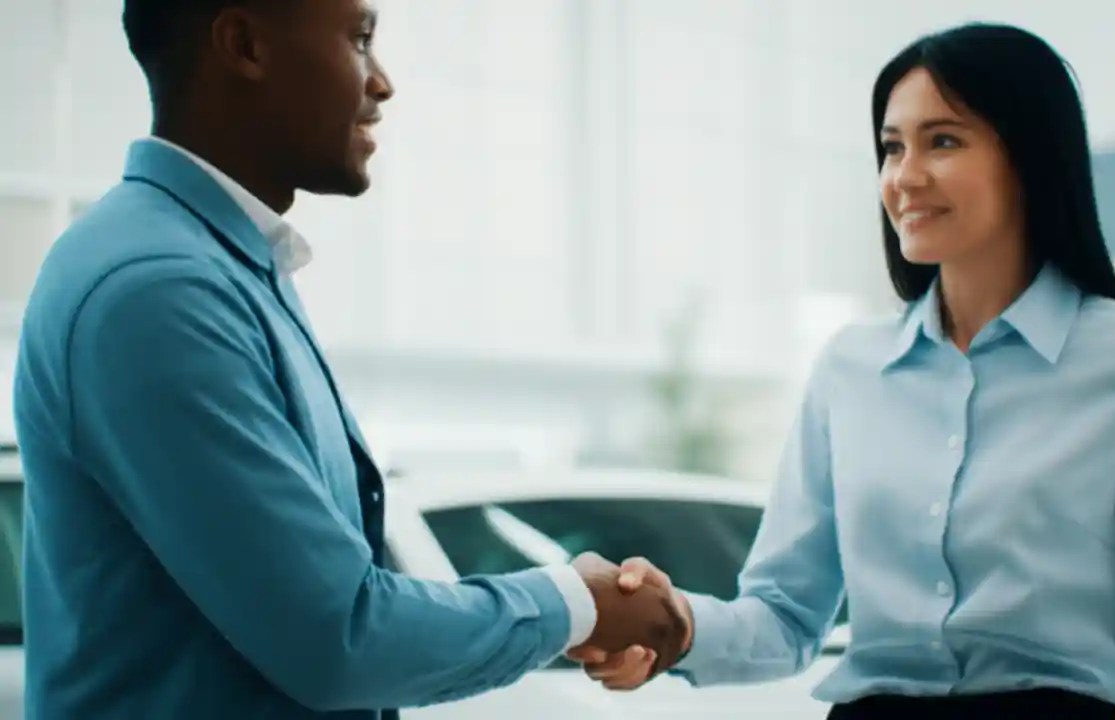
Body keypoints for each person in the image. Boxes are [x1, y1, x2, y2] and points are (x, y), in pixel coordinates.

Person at [11, 1, 685, 718]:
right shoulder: (159, 288)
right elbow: (340, 638)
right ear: (245, 44)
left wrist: (572, 608)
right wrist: (575, 604)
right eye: (360, 39)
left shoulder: (217, 266)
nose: (383, 82)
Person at [571, 22, 1115, 720]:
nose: (905, 176)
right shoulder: (850, 368)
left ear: (1030, 156)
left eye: (944, 140)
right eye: (892, 147)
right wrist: (677, 626)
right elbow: (785, 616)